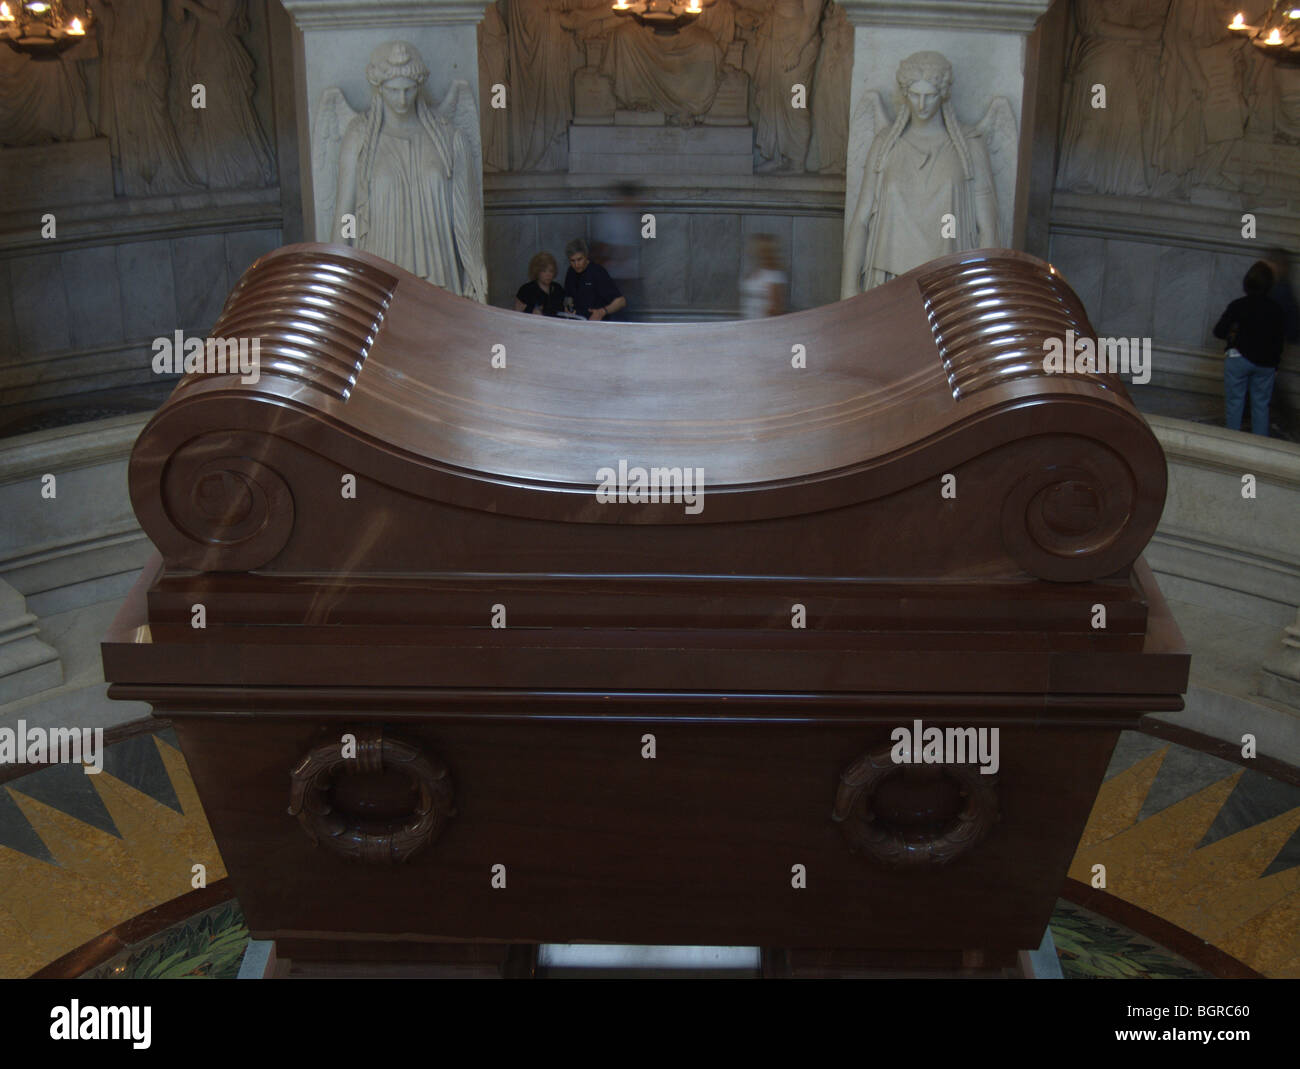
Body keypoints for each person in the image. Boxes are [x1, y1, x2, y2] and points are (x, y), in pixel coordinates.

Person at [1213, 261, 1285, 436]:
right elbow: (1278, 341)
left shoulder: (1238, 305)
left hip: (1239, 358)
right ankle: (1260, 445)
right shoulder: (1277, 310)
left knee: (1235, 403)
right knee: (1261, 405)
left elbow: (1219, 331)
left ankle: (1233, 441)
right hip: (1266, 364)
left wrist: (1233, 336)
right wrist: (1275, 366)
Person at [564, 238, 626, 322]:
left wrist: (602, 312)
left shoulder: (597, 272)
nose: (576, 264)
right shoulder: (570, 272)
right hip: (578, 323)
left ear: (586, 256)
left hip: (597, 324)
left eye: (579, 259)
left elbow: (621, 301)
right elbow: (568, 296)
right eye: (572, 261)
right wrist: (568, 308)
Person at [739, 234, 787, 319]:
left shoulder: (774, 276)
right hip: (748, 320)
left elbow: (775, 307)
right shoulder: (754, 271)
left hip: (762, 322)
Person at [514, 252, 566, 316]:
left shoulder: (558, 288)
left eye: (551, 271)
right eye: (544, 271)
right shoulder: (526, 290)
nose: (548, 275)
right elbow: (517, 315)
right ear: (537, 271)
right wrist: (531, 311)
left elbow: (563, 311)